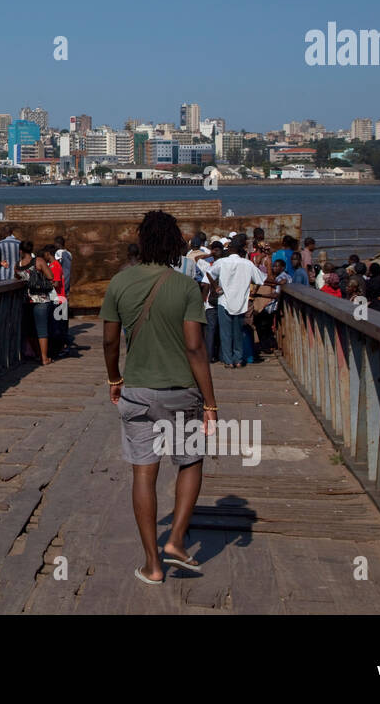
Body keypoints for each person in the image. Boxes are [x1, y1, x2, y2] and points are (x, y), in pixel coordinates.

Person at [99, 210, 218, 585]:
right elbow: (196, 348)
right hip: (181, 392)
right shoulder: (185, 286)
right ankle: (177, 542)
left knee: (143, 473)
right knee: (190, 461)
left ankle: (152, 564)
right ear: (174, 244)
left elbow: (108, 340)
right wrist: (211, 404)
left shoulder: (120, 282)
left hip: (136, 391)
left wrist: (114, 378)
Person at [212, 242, 265, 369]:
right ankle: (238, 359)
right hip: (241, 302)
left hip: (224, 301)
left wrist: (215, 287)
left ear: (229, 250)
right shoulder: (247, 263)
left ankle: (228, 360)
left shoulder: (221, 262)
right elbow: (260, 279)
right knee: (238, 332)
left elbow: (209, 274)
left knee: (225, 333)